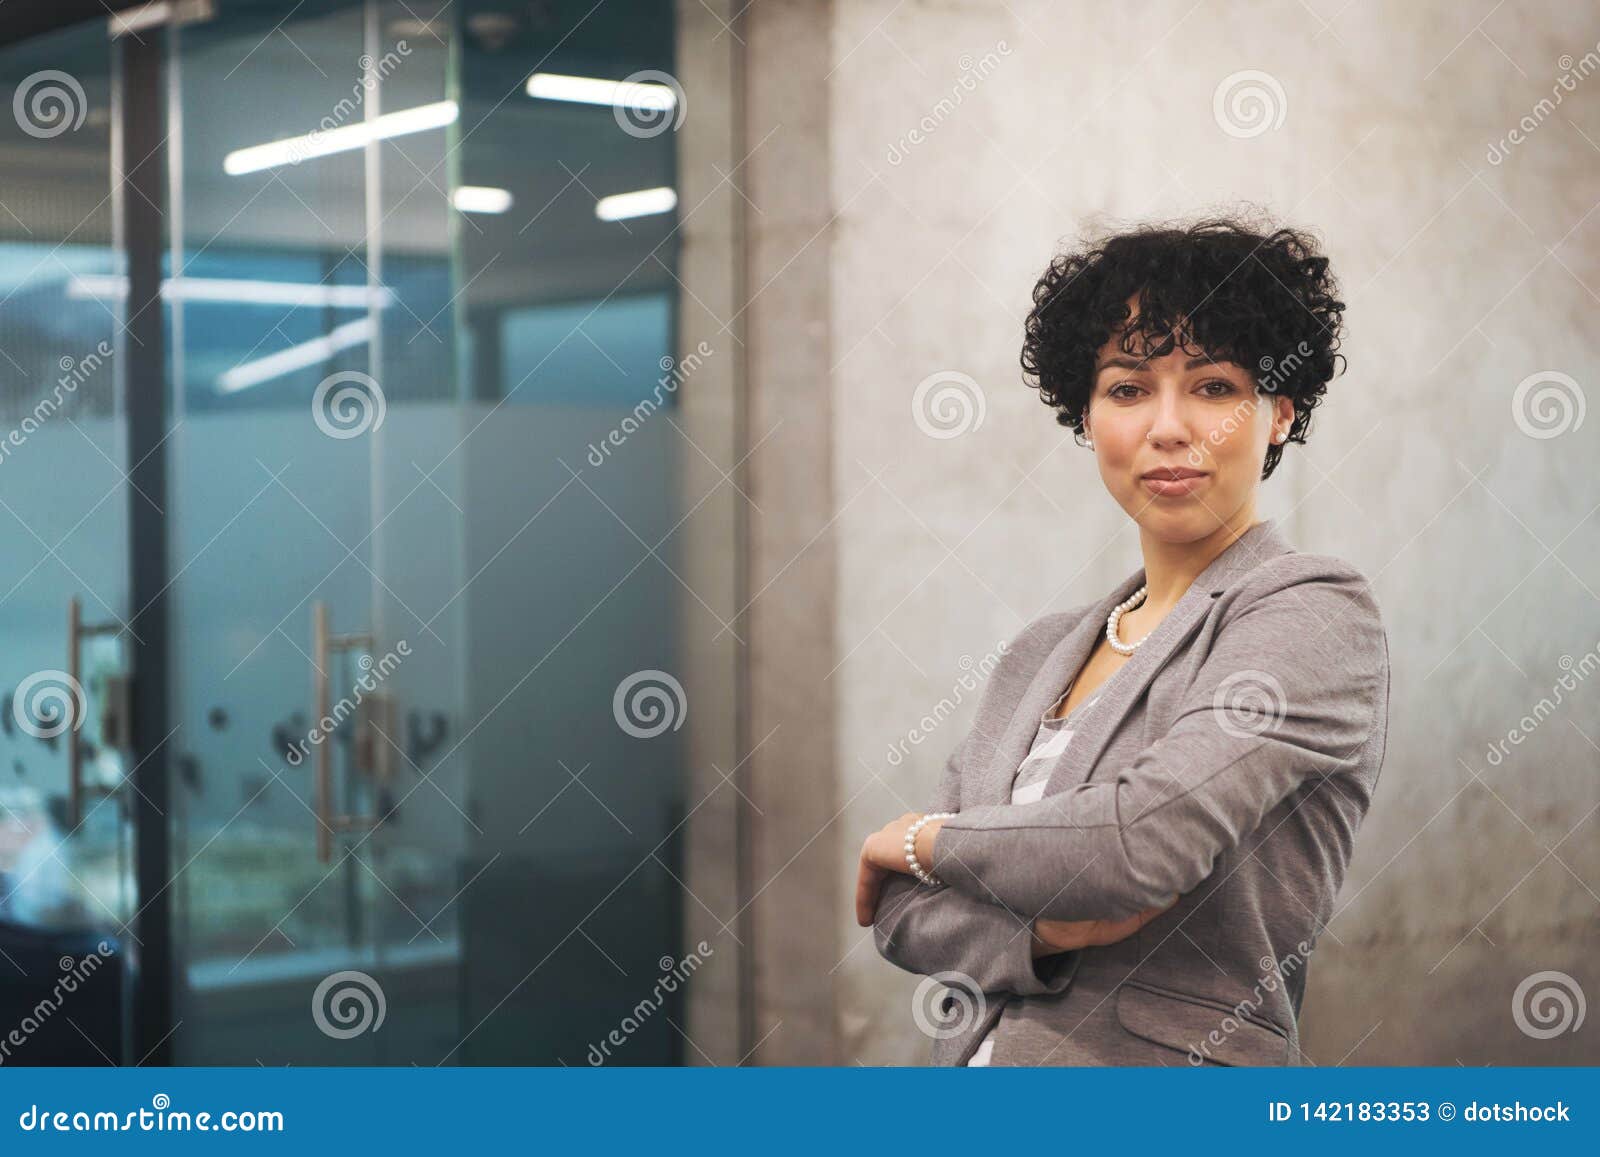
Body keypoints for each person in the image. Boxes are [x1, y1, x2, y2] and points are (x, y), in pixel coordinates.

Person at [857, 215, 1390, 1067]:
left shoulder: (1310, 613)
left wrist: (926, 840)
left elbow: (1139, 843)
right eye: (1129, 388)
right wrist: (1044, 937)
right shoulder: (1039, 652)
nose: (1167, 427)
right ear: (1088, 413)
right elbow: (899, 913)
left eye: (1214, 387)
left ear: (1279, 413)